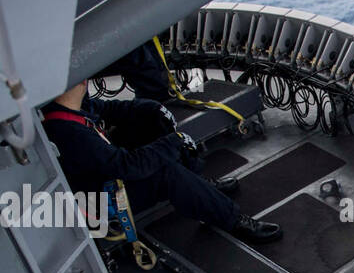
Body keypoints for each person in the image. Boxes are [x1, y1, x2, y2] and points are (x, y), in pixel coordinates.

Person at [41, 81, 280, 242]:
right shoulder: (67, 133)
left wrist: (154, 109)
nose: (84, 79)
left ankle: (200, 188)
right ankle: (233, 220)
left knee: (148, 119)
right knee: (166, 171)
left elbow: (112, 109)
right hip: (102, 203)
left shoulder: (75, 108)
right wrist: (173, 142)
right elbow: (128, 166)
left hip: (107, 171)